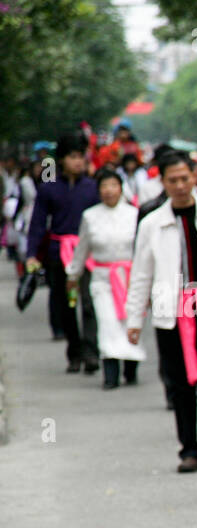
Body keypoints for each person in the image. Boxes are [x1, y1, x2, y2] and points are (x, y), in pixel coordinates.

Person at [124, 151, 197, 473]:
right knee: (181, 385)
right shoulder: (151, 222)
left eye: (184, 178)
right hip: (172, 313)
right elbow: (141, 274)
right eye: (171, 180)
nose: (179, 185)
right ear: (162, 182)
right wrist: (134, 319)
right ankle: (189, 449)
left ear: (196, 177)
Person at [27, 132, 101, 372]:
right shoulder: (49, 187)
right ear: (62, 159)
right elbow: (38, 223)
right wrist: (31, 254)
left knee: (89, 303)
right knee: (66, 304)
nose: (78, 161)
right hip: (59, 254)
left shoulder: (93, 188)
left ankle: (91, 352)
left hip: (88, 254)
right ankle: (75, 351)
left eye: (81, 156)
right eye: (72, 156)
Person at [66, 167, 143, 389]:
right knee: (107, 323)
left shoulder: (134, 215)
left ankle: (131, 366)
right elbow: (81, 249)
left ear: (121, 189)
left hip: (130, 278)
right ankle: (110, 372)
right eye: (104, 186)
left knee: (130, 321)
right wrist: (73, 274)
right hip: (102, 278)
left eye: (113, 186)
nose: (109, 191)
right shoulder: (90, 217)